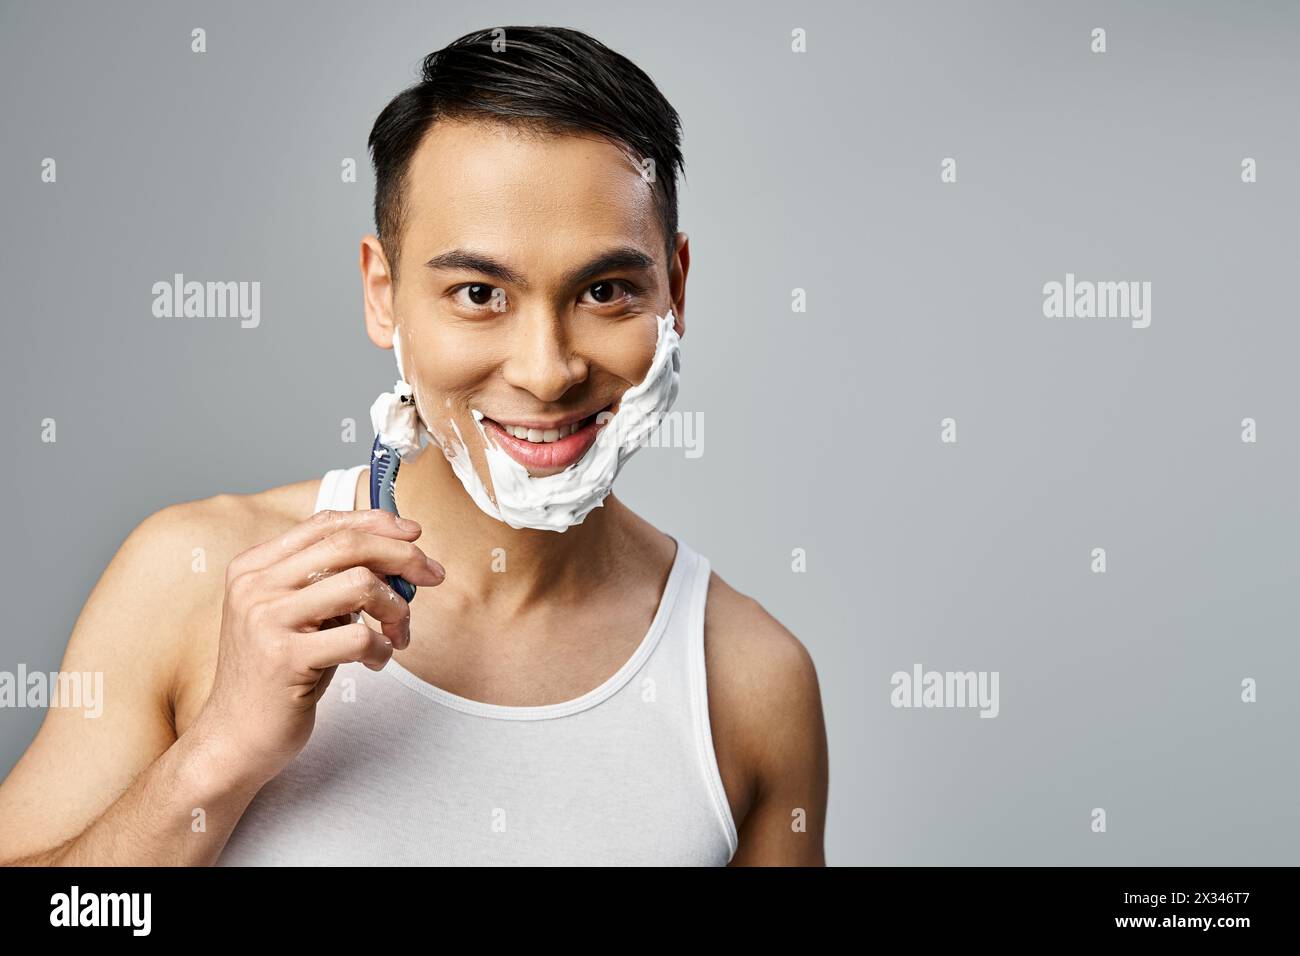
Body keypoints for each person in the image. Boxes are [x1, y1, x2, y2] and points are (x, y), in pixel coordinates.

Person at [0, 25, 828, 866]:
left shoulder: (751, 683)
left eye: (605, 291)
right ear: (384, 296)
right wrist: (214, 758)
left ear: (674, 292)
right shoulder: (191, 577)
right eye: (478, 293)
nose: (546, 372)